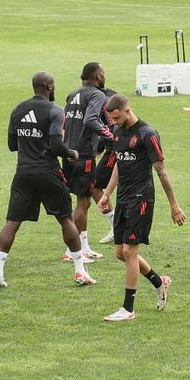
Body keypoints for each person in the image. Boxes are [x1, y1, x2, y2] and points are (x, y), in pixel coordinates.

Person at [0, 72, 94, 289]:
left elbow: (12, 144)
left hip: (23, 173)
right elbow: (57, 145)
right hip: (48, 172)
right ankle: (79, 271)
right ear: (49, 86)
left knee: (12, 222)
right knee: (65, 219)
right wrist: (72, 154)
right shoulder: (54, 110)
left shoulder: (18, 109)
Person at [97, 94, 186, 321]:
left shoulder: (148, 134)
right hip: (123, 198)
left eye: (116, 117)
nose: (114, 122)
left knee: (129, 252)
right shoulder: (117, 133)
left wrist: (174, 205)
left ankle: (128, 309)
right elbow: (119, 162)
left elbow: (162, 171)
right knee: (120, 253)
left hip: (142, 198)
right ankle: (159, 282)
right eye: (111, 119)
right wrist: (107, 193)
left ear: (128, 110)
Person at [62, 62, 114, 262]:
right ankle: (72, 251)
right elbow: (91, 120)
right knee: (83, 202)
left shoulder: (72, 95)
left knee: (81, 201)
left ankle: (83, 247)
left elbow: (66, 123)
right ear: (98, 76)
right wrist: (110, 135)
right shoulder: (97, 95)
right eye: (103, 72)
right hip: (83, 155)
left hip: (68, 152)